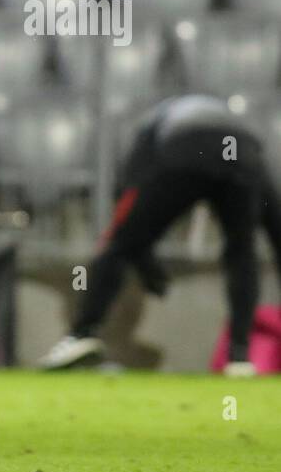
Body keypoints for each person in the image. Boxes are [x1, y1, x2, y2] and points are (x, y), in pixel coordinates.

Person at [38, 94, 281, 376]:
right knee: (242, 252)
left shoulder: (155, 123)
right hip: (243, 156)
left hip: (187, 149)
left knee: (118, 243)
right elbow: (274, 220)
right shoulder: (239, 131)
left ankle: (81, 334)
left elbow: (131, 197)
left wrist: (144, 262)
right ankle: (239, 357)